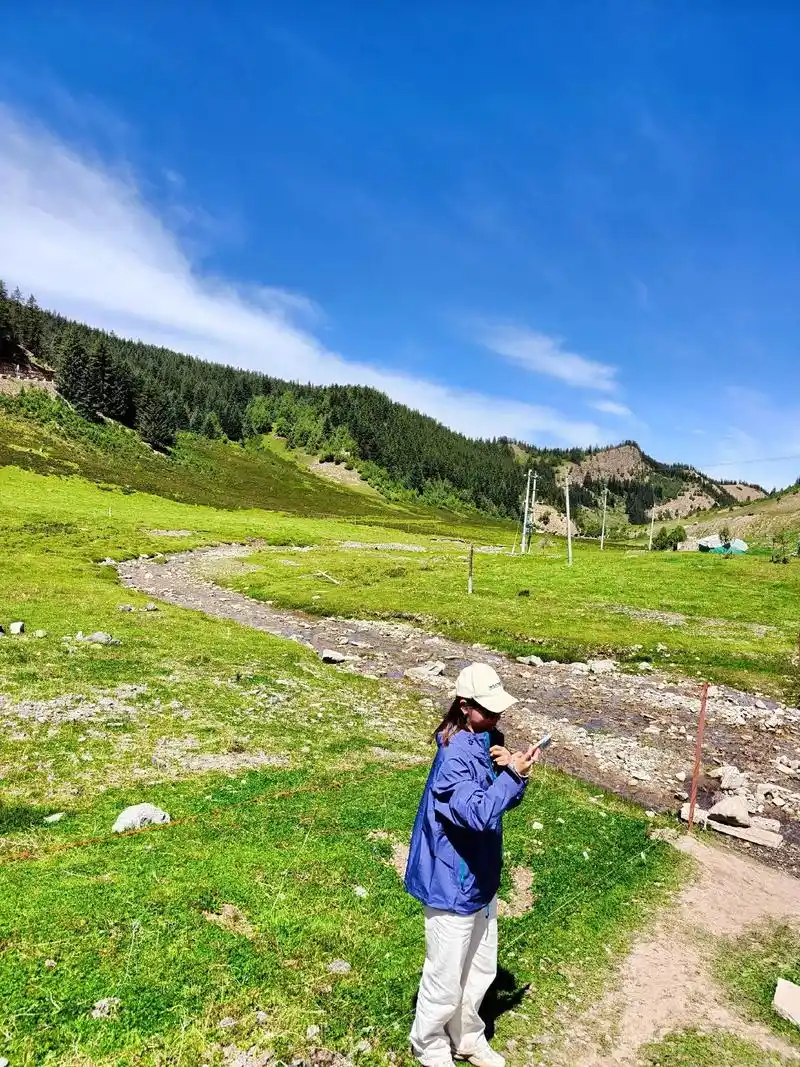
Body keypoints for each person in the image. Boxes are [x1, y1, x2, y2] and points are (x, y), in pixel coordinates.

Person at [404, 663, 540, 1067]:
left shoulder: (487, 739)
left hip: (480, 876)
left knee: (480, 970)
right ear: (464, 706)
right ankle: (428, 1045)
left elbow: (500, 804)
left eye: (499, 710)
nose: (497, 718)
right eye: (489, 710)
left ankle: (467, 1037)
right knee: (445, 977)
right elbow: (478, 813)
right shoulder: (454, 757)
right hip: (451, 880)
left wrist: (510, 769)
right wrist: (511, 776)